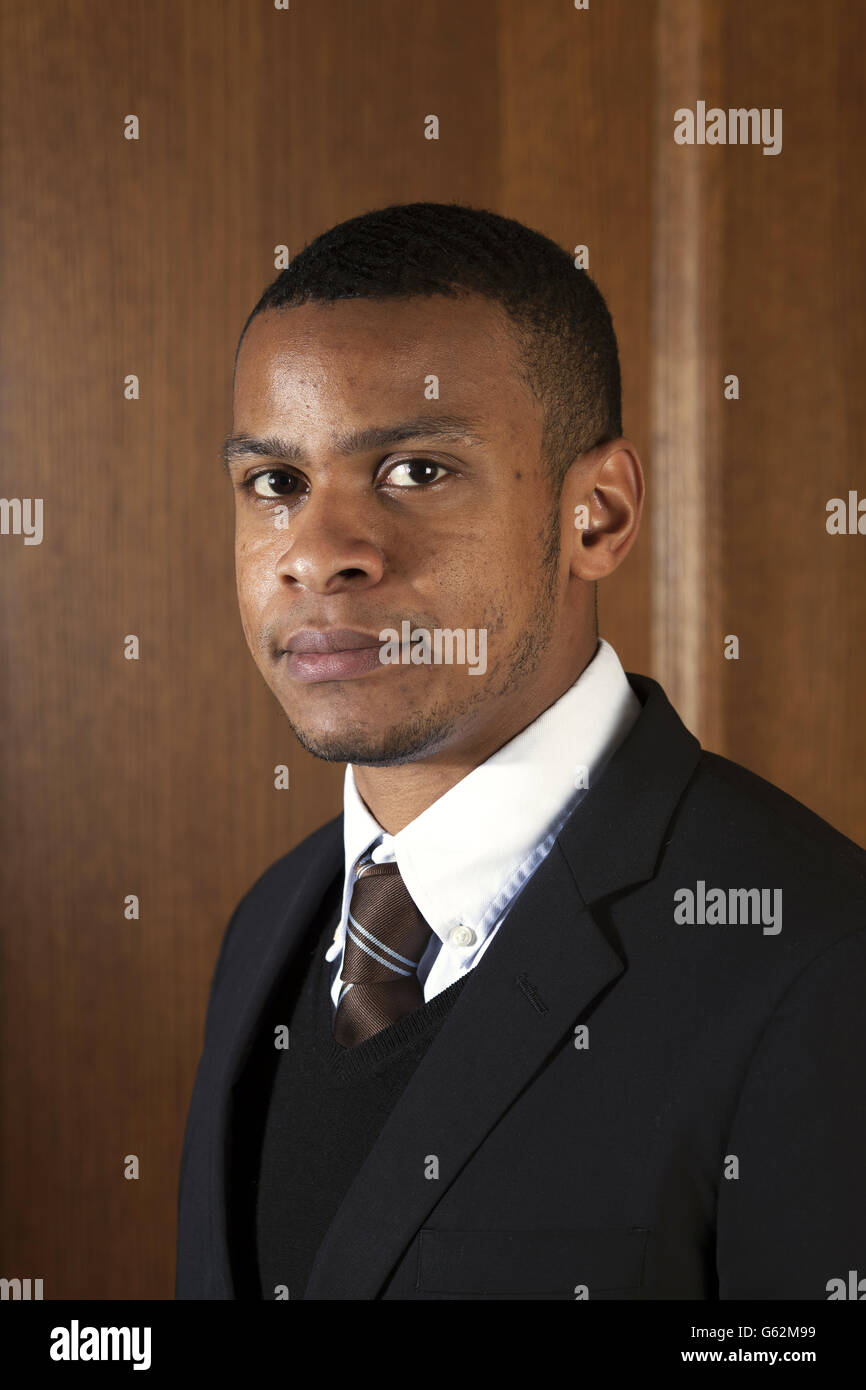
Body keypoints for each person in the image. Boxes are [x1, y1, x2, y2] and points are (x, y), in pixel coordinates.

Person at [176, 202, 866, 1300]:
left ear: (594, 514)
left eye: (413, 470)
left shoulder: (819, 963)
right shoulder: (269, 923)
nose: (317, 554)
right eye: (276, 483)